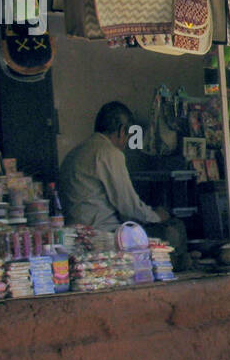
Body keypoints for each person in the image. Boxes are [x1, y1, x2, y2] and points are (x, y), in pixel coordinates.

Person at [58, 102, 192, 268]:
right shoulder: (108, 152)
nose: (126, 141)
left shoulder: (76, 152)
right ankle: (178, 272)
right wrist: (157, 216)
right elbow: (129, 207)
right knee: (173, 229)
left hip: (75, 233)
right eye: (128, 135)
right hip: (102, 234)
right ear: (122, 130)